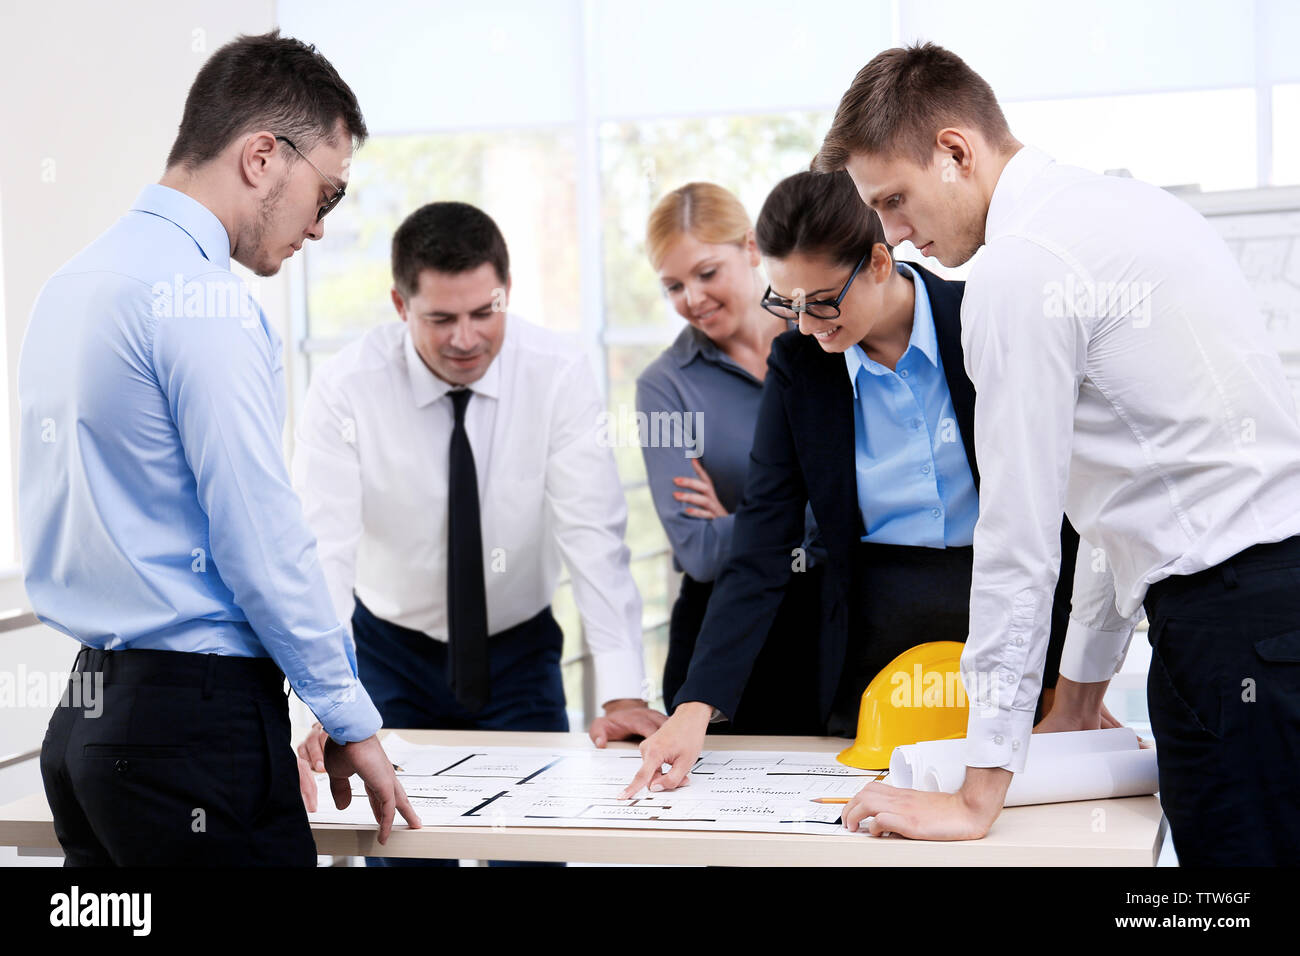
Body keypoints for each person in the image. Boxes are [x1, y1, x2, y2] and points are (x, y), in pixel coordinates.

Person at [815, 42, 1300, 864]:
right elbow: (1127, 492)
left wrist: (980, 788)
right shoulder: (1129, 209)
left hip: (1225, 636)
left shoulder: (1018, 272)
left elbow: (1018, 542)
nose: (894, 236)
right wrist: (1077, 698)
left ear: (955, 151)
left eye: (895, 200)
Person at [18, 30, 418, 867]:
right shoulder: (204, 303)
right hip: (191, 735)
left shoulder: (71, 285)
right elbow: (261, 542)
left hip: (86, 725)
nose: (318, 228)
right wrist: (350, 718)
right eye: (328, 194)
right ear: (263, 156)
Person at [620, 169, 1089, 798]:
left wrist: (1078, 683)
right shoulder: (800, 365)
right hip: (869, 631)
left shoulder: (983, 316)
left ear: (875, 262)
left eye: (820, 301)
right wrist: (695, 707)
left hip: (1003, 613)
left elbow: (1066, 513)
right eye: (786, 303)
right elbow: (762, 542)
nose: (807, 325)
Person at [291, 201, 660, 866]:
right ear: (401, 306)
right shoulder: (346, 388)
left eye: (483, 313)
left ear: (507, 293)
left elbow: (593, 539)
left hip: (518, 657)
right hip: (388, 657)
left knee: (531, 854)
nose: (466, 338)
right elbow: (324, 556)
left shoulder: (557, 372)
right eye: (441, 319)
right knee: (402, 854)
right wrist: (328, 701)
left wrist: (624, 692)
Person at [634, 182, 824, 735]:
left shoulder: (829, 338)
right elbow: (697, 550)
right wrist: (815, 520)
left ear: (750, 247)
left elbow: (869, 504)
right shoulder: (664, 387)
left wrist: (741, 521)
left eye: (706, 273)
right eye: (673, 285)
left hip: (830, 621)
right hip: (720, 634)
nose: (691, 298)